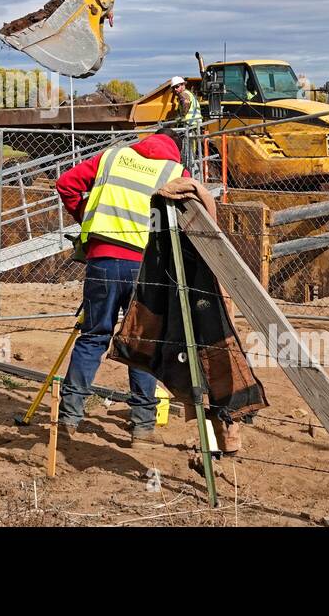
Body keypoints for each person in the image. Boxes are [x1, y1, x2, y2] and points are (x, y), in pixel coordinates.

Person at [55, 127, 210, 449]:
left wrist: (86, 216)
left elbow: (66, 183)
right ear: (176, 150)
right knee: (143, 343)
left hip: (103, 259)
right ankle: (142, 426)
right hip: (146, 266)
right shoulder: (174, 171)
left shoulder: (112, 157)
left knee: (94, 336)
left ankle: (69, 417)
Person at [170, 75, 204, 174]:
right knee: (191, 151)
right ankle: (193, 172)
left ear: (182, 85)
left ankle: (192, 173)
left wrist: (180, 118)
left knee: (188, 152)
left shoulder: (183, 95)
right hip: (193, 125)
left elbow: (185, 105)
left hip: (189, 126)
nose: (175, 90)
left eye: (177, 87)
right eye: (173, 88)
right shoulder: (190, 94)